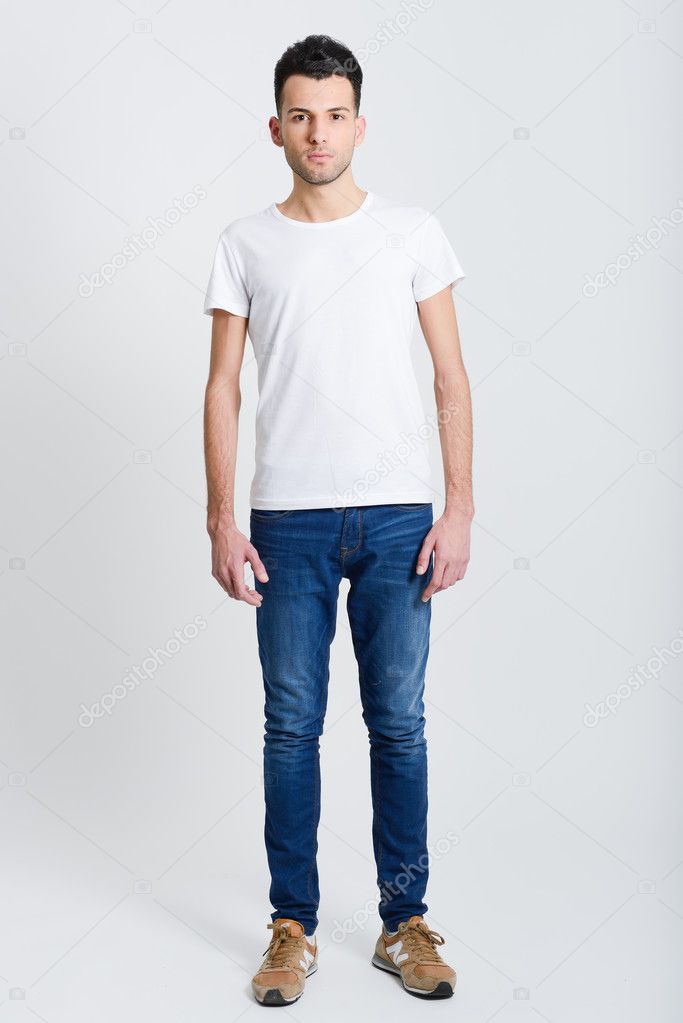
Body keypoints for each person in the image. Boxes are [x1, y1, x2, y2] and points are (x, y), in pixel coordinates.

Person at [202, 34, 473, 1006]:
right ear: (275, 128)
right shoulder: (244, 243)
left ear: (360, 125)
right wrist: (220, 520)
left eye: (334, 114)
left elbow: (449, 378)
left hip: (399, 517)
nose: (318, 132)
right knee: (290, 725)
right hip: (286, 521)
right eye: (300, 115)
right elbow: (222, 387)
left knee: (397, 722)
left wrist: (458, 508)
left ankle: (403, 922)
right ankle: (292, 926)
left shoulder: (411, 232)